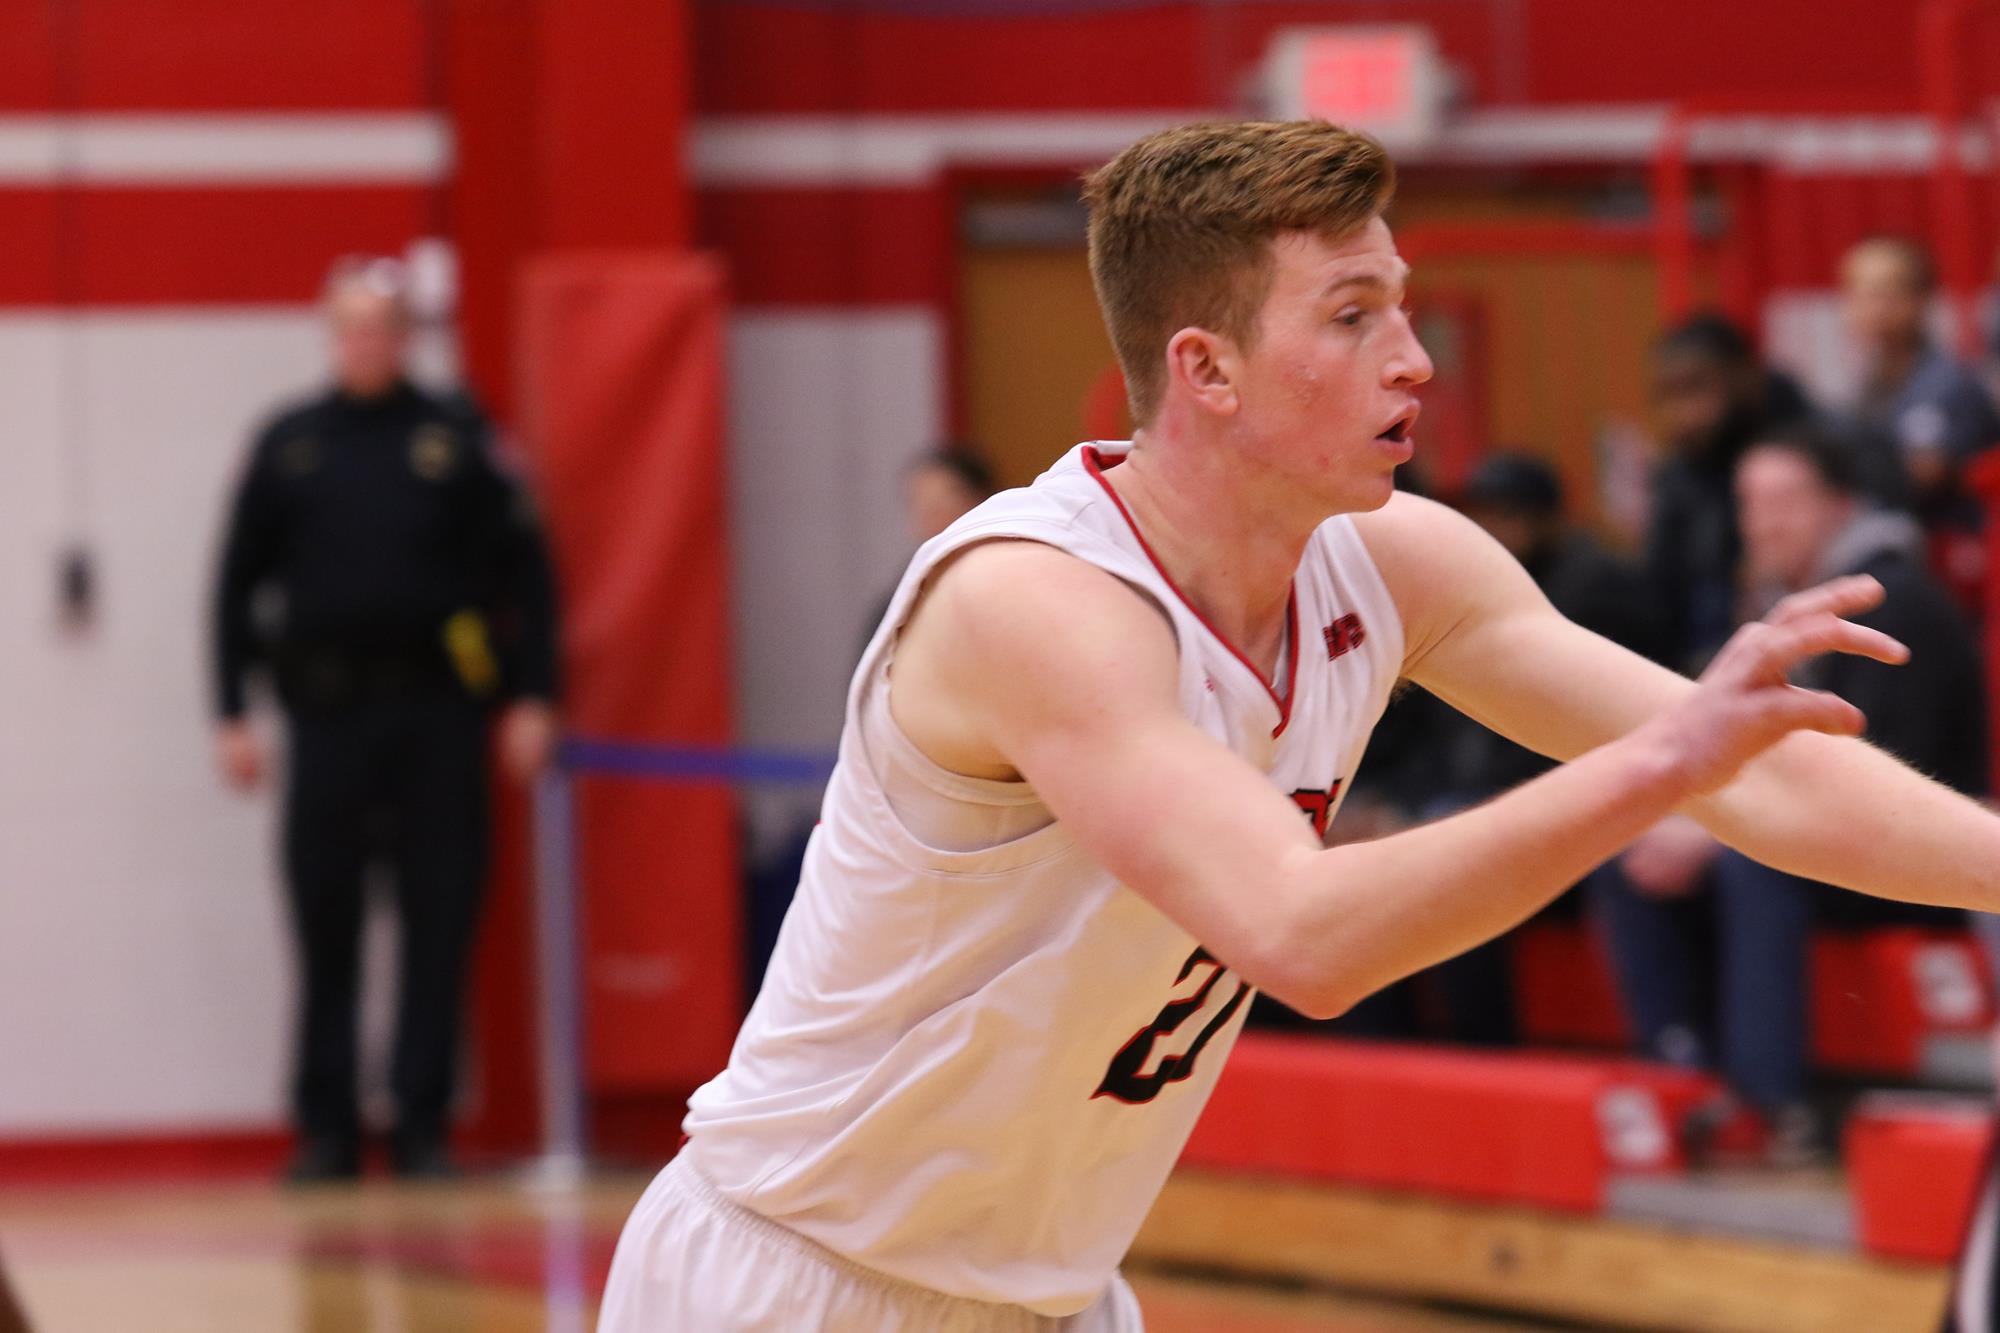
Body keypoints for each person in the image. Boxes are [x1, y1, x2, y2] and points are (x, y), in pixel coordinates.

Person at [600, 121, 2000, 1332]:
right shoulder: (1036, 605)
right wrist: (1655, 768)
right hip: (794, 1282)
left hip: (1051, 1296)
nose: (1414, 361)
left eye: (1403, 305)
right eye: (1351, 316)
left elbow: (1762, 778)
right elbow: (1304, 936)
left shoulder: (1400, 566)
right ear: (1205, 369)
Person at [211, 257, 561, 1182]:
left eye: (382, 327)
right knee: (325, 919)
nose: (366, 343)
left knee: (439, 915)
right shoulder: (290, 444)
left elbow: (527, 569)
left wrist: (533, 693)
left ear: (407, 339)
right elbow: (235, 583)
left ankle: (420, 1122)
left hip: (438, 715)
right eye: (350, 327)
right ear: (332, 337)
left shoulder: (457, 436)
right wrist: (229, 711)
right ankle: (326, 1127)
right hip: (325, 719)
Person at [1594, 423, 1986, 1166]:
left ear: (1840, 502)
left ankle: (1773, 1108)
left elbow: (1878, 777)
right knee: (1632, 848)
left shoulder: (1892, 597)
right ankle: (1678, 1075)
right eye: (1749, 503)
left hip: (1920, 856)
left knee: (1755, 862)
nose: (1762, 522)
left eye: (1783, 501)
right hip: (1827, 839)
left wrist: (1715, 832)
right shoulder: (1779, 607)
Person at [1321, 452, 1667, 1045]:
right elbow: (1434, 732)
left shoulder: (1595, 591)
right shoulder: (1454, 591)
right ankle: (1390, 1060)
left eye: (1506, 515)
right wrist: (1395, 808)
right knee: (1367, 863)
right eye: (1480, 514)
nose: (1491, 529)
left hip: (1577, 805)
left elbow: (1582, 737)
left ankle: (1482, 1049)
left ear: (1549, 521)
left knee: (1446, 862)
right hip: (1470, 795)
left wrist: (1454, 813)